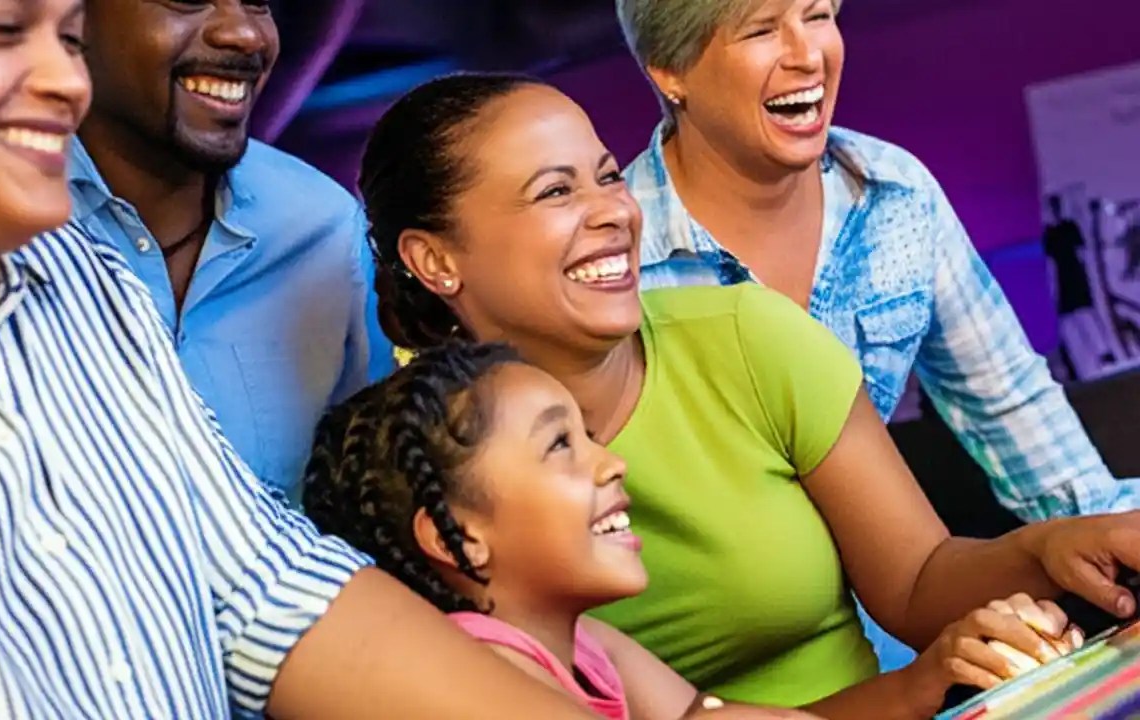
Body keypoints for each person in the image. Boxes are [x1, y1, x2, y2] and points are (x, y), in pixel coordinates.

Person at [0, 1, 628, 718]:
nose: (67, 79)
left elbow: (272, 590)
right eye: (0, 30)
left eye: (66, 36)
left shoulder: (86, 286)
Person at [357, 72, 1138, 718]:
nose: (612, 213)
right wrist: (918, 687)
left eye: (605, 177)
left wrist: (1054, 547)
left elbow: (916, 579)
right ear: (434, 258)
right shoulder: (421, 474)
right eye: (555, 193)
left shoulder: (744, 332)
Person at [614, 0, 1139, 670]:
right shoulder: (618, 256)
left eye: (818, 15)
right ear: (670, 71)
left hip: (902, 598)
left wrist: (1114, 540)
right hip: (720, 657)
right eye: (762, 29)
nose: (809, 54)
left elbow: (1011, 402)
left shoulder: (897, 195)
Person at [301, 341, 1069, 720]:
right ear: (461, 539)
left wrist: (931, 678)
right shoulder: (485, 677)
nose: (614, 464)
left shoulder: (590, 647)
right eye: (562, 445)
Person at [72, 0, 392, 499]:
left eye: (259, 3)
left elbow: (373, 503)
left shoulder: (324, 232)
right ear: (74, 17)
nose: (245, 34)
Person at [1042, 194, 1114, 378]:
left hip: (1075, 275)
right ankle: (1085, 361)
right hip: (1063, 278)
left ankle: (1104, 354)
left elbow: (1082, 253)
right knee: (1072, 320)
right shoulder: (1049, 233)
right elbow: (1050, 263)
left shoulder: (1068, 227)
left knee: (1085, 314)